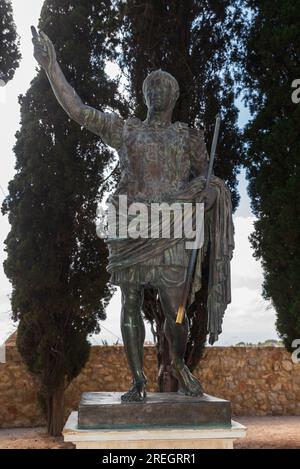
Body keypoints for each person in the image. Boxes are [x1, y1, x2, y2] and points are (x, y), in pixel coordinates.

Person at [32, 27, 234, 402]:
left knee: (176, 308)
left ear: (174, 95)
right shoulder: (126, 130)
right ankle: (138, 378)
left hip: (175, 224)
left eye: (164, 87)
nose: (157, 91)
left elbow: (208, 180)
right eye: (150, 87)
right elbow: (80, 111)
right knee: (129, 302)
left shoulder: (186, 136)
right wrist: (52, 66)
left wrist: (209, 193)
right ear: (144, 94)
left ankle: (179, 364)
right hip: (132, 220)